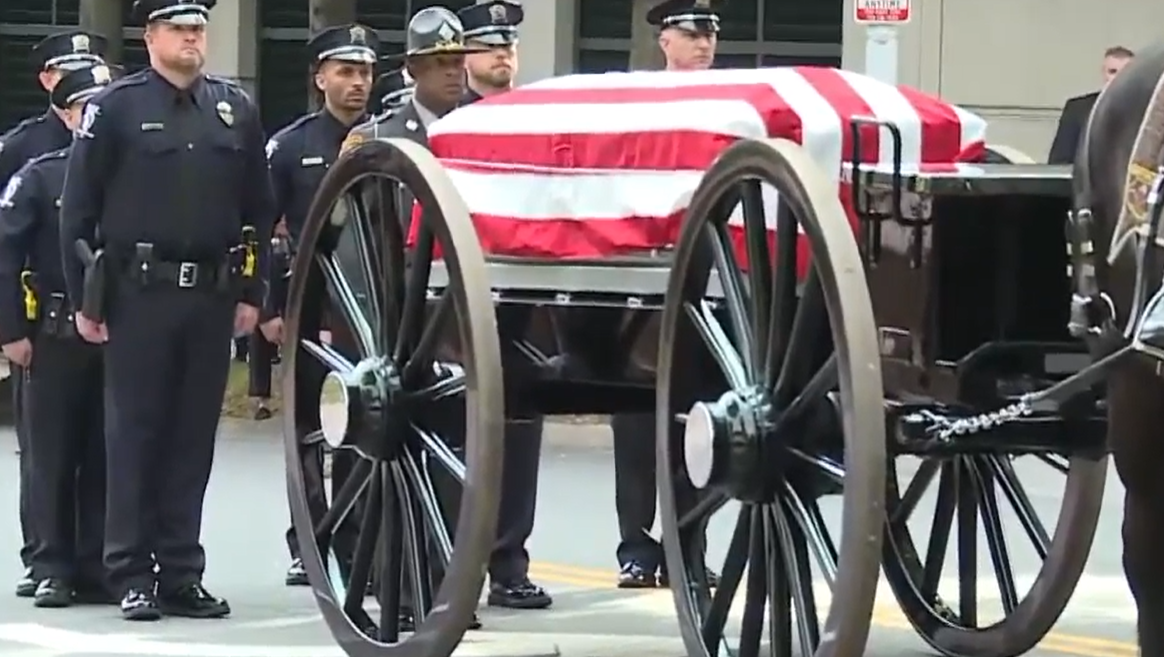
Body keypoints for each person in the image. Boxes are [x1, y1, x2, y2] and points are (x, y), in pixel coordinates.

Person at [59, 0, 273, 621]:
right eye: (178, 29)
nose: (191, 39)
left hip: (209, 294)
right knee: (134, 435)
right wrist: (84, 300)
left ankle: (181, 570)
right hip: (138, 293)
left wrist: (252, 291)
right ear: (150, 37)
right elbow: (78, 209)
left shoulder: (233, 109)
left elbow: (259, 210)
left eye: (199, 29)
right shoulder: (114, 109)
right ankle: (129, 571)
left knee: (191, 441)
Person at [259, 22, 379, 589]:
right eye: (346, 72)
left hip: (374, 307)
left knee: (364, 426)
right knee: (308, 429)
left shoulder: (389, 140)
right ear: (320, 77)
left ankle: (359, 541)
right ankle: (309, 539)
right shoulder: (291, 146)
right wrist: (268, 306)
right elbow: (261, 231)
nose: (358, 84)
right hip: (309, 305)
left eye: (365, 73)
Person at [610, 0, 722, 589]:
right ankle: (636, 546)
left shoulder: (731, 106)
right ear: (665, 43)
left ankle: (688, 547)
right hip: (643, 273)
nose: (703, 45)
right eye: (691, 34)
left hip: (706, 277)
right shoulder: (642, 103)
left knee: (698, 425)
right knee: (633, 424)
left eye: (710, 35)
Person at [0, 63, 121, 608]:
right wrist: (9, 331)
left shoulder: (132, 177)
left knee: (108, 452)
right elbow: (3, 257)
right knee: (49, 456)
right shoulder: (39, 175)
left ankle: (97, 561)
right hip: (49, 335)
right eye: (84, 109)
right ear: (68, 115)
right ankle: (50, 564)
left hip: (119, 336)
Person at [454, 0, 551, 610]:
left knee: (520, 432)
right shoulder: (448, 126)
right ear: (463, 58)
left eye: (508, 47)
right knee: (458, 438)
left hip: (521, 295)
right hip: (461, 301)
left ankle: (509, 562)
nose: (502, 56)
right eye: (489, 47)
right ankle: (453, 565)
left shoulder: (537, 122)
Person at [1047, 45, 1134, 164]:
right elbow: (1060, 160)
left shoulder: (1148, 110)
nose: (1118, 78)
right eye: (1112, 72)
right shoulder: (1078, 109)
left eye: (1125, 72)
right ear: (1103, 73)